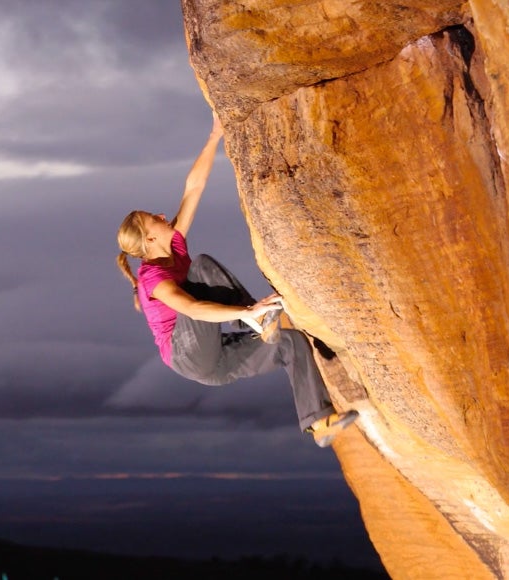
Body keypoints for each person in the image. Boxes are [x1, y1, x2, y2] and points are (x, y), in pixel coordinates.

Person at [115, 113, 358, 447]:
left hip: (213, 363)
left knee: (292, 343)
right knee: (201, 267)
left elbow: (193, 187)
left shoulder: (172, 244)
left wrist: (215, 135)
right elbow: (194, 309)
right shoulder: (152, 278)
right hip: (185, 353)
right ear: (148, 242)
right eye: (153, 220)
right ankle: (258, 320)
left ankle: (318, 422)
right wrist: (247, 312)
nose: (161, 216)